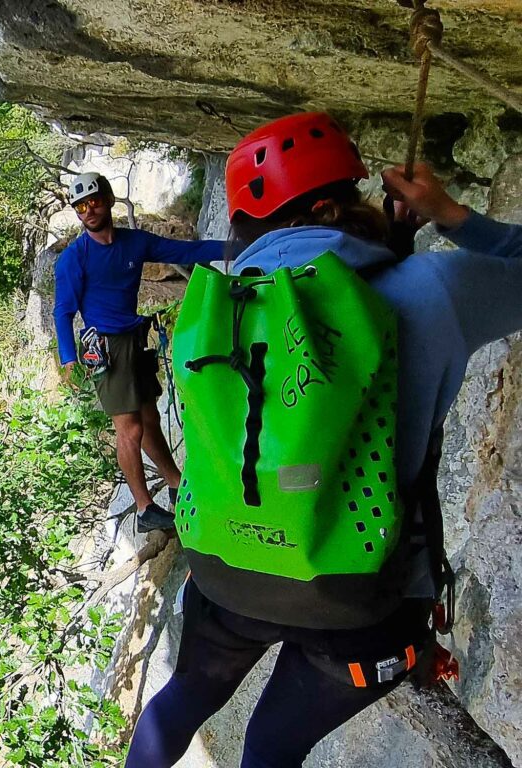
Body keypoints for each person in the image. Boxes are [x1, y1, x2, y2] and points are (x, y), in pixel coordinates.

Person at [125, 112, 522, 767]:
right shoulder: (433, 290)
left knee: (181, 701)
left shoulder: (223, 303)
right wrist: (452, 216)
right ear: (342, 204)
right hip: (363, 596)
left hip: (227, 571)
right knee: (273, 746)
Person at [53, 172, 224, 532]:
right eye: (81, 206)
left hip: (133, 339)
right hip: (106, 349)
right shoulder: (74, 258)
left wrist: (235, 248)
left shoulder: (133, 243)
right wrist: (69, 359)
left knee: (148, 418)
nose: (89, 210)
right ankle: (144, 508)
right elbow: (63, 311)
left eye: (95, 201)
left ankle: (176, 482)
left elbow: (186, 251)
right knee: (129, 429)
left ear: (109, 199)